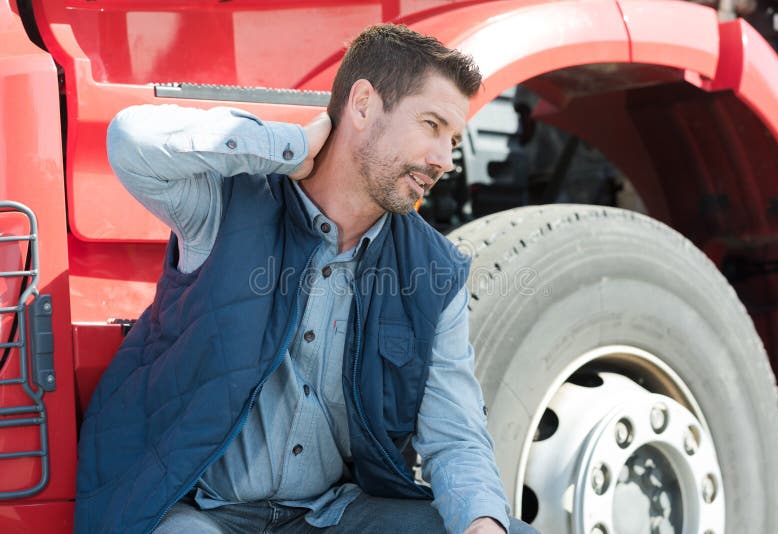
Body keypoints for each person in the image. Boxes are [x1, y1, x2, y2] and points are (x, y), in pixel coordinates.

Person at [74, 24, 540, 534]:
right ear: (363, 105)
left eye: (452, 141)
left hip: (331, 516)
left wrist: (482, 525)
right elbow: (129, 140)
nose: (444, 161)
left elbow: (456, 436)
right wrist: (292, 146)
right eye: (431, 125)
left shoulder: (435, 274)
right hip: (199, 510)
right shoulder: (227, 205)